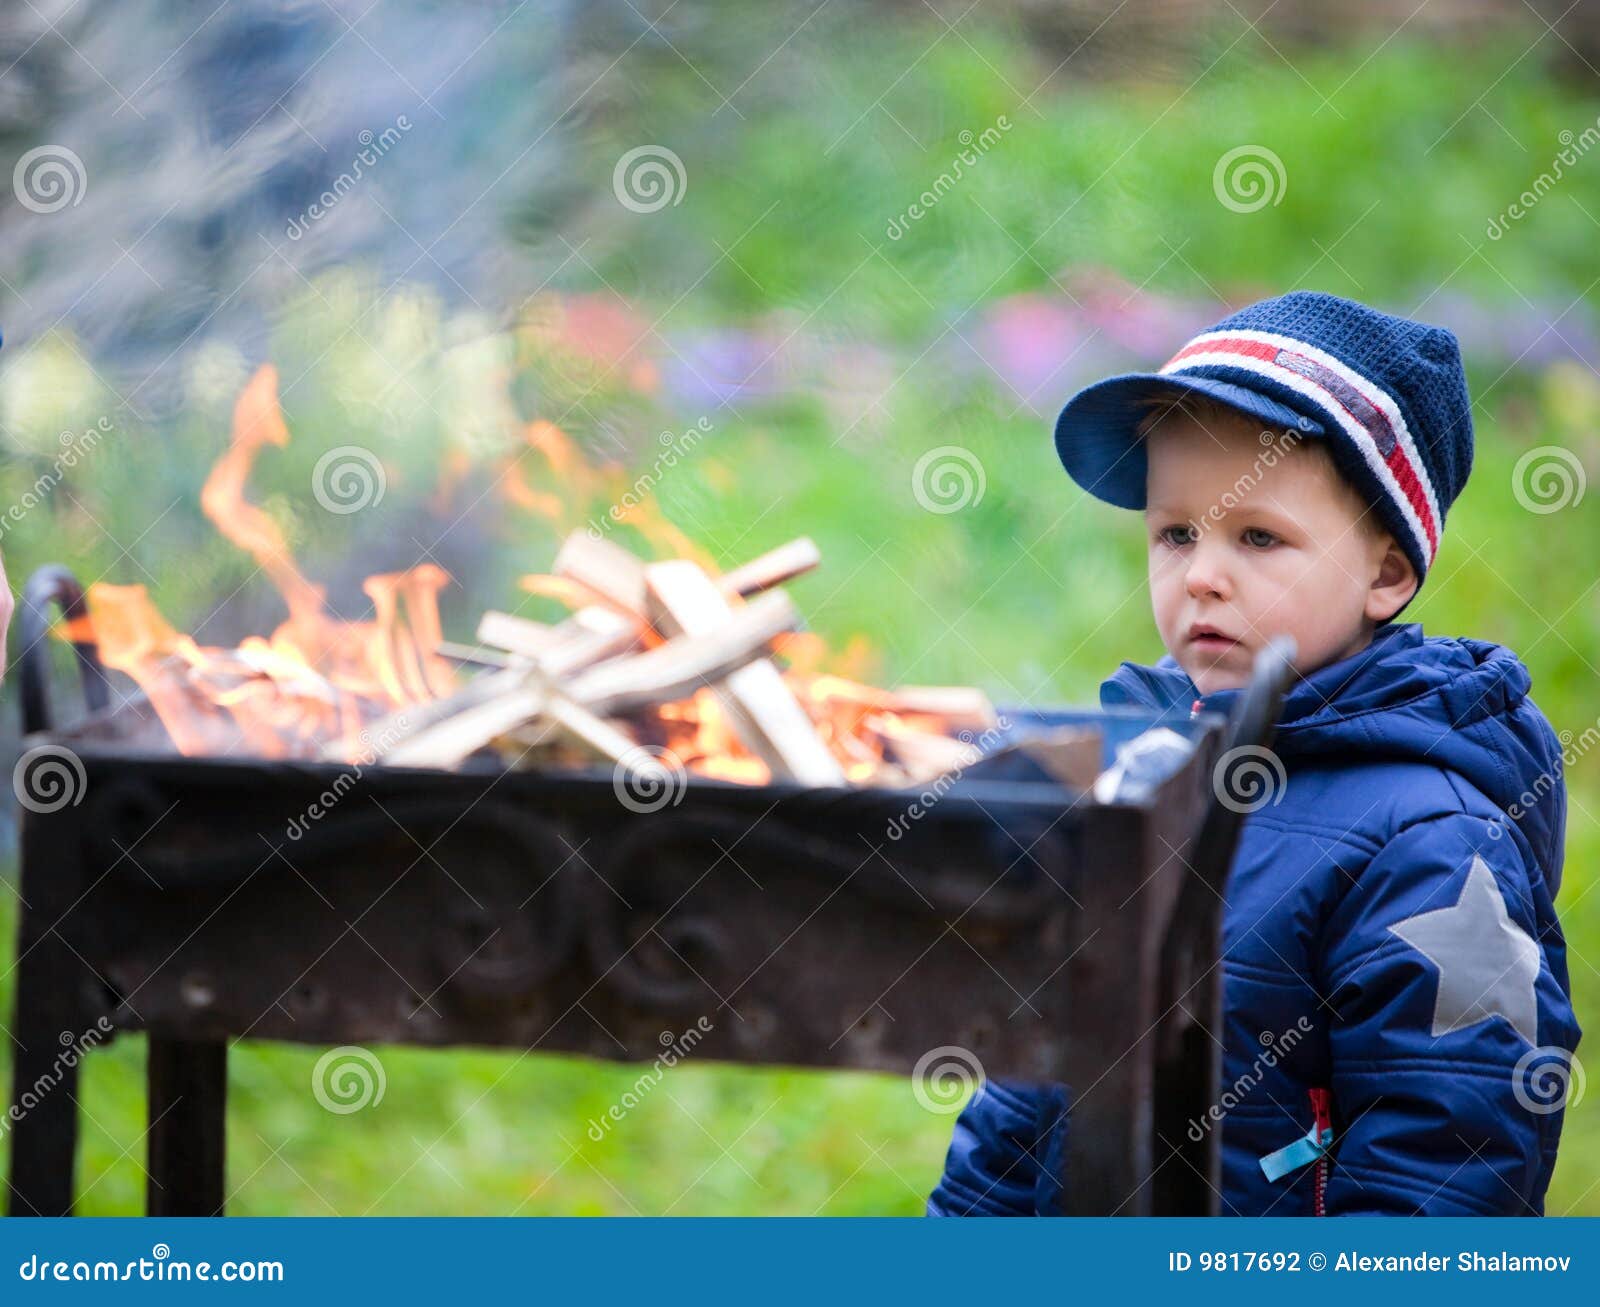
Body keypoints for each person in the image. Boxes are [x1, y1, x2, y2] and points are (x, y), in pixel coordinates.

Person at [927, 291, 1580, 1216]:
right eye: (1176, 533)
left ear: (1387, 572)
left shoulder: (1431, 842)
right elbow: (1024, 1088)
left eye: (1259, 536)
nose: (1201, 575)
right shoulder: (1133, 774)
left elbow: (1445, 1167)